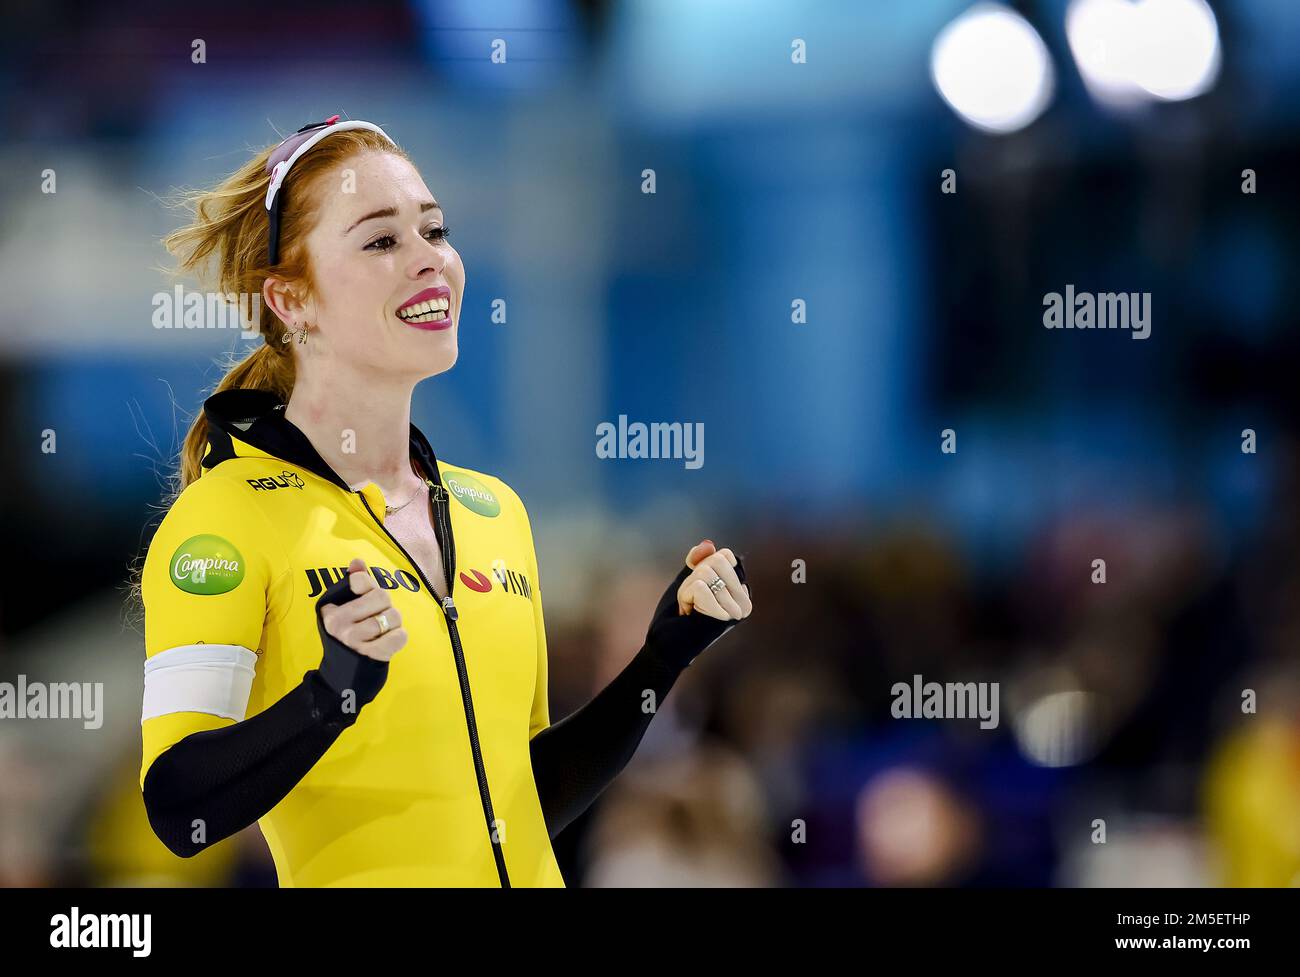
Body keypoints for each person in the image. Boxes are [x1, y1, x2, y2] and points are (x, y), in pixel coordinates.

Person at [135, 115, 753, 887]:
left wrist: (662, 657)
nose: (431, 261)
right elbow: (177, 807)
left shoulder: (493, 510)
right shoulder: (226, 517)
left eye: (435, 230)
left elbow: (527, 795)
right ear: (291, 299)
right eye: (382, 241)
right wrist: (327, 698)